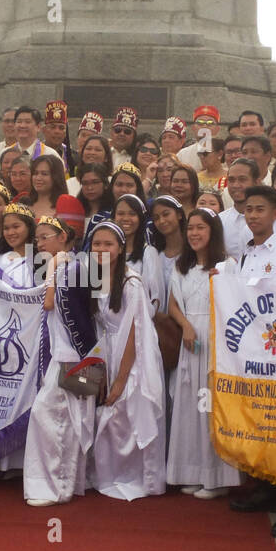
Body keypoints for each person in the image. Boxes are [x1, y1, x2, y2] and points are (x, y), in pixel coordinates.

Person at [86, 223, 166, 501]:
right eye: (97, 244)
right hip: (104, 348)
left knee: (125, 409)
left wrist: (120, 378)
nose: (102, 249)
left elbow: (136, 333)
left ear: (120, 248)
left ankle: (137, 475)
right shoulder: (92, 278)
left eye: (108, 244)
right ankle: (108, 473)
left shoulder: (131, 282)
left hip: (130, 352)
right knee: (103, 412)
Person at [166, 208, 238, 499]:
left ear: (213, 231)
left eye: (201, 228)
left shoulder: (228, 264)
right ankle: (193, 471)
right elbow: (172, 304)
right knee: (190, 408)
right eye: (190, 228)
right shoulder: (181, 266)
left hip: (216, 343)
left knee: (210, 407)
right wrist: (185, 326)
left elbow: (235, 303)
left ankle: (217, 477)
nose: (194, 233)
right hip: (190, 342)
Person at [23, 227, 97, 507]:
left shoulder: (79, 265)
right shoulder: (53, 263)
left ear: (63, 237)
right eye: (37, 238)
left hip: (75, 354)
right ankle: (62, 484)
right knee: (61, 418)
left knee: (57, 417)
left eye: (45, 237)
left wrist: (53, 265)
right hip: (58, 352)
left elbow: (49, 302)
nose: (39, 242)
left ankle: (59, 485)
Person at [0, 203, 38, 288]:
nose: (10, 233)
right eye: (6, 228)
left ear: (29, 227)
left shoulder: (41, 261)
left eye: (16, 227)